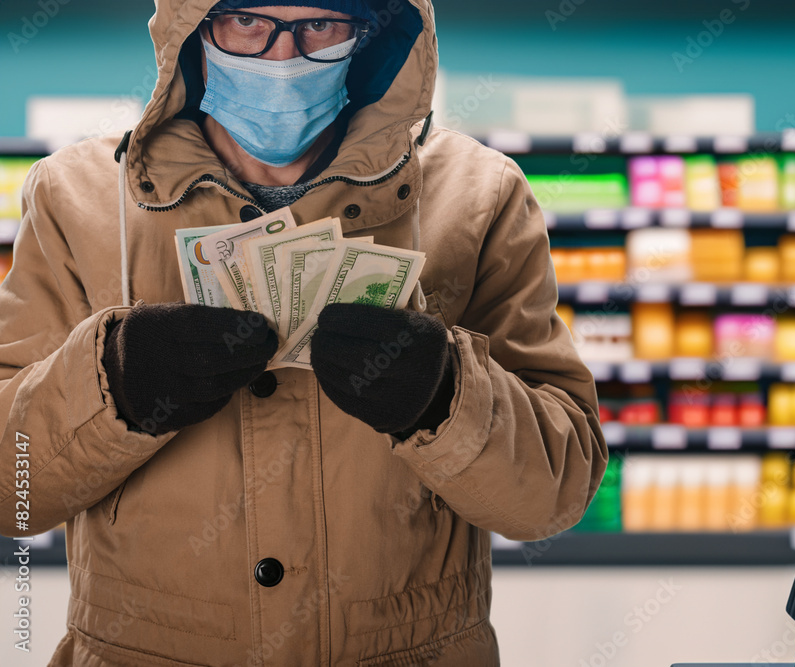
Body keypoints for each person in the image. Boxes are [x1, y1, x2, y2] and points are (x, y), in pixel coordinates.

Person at [0, 0, 607, 665]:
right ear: (195, 30)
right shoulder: (78, 197)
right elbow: (12, 495)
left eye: (319, 25)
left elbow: (554, 495)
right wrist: (111, 383)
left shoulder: (481, 195)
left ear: (370, 32)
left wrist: (447, 397)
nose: (283, 57)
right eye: (249, 22)